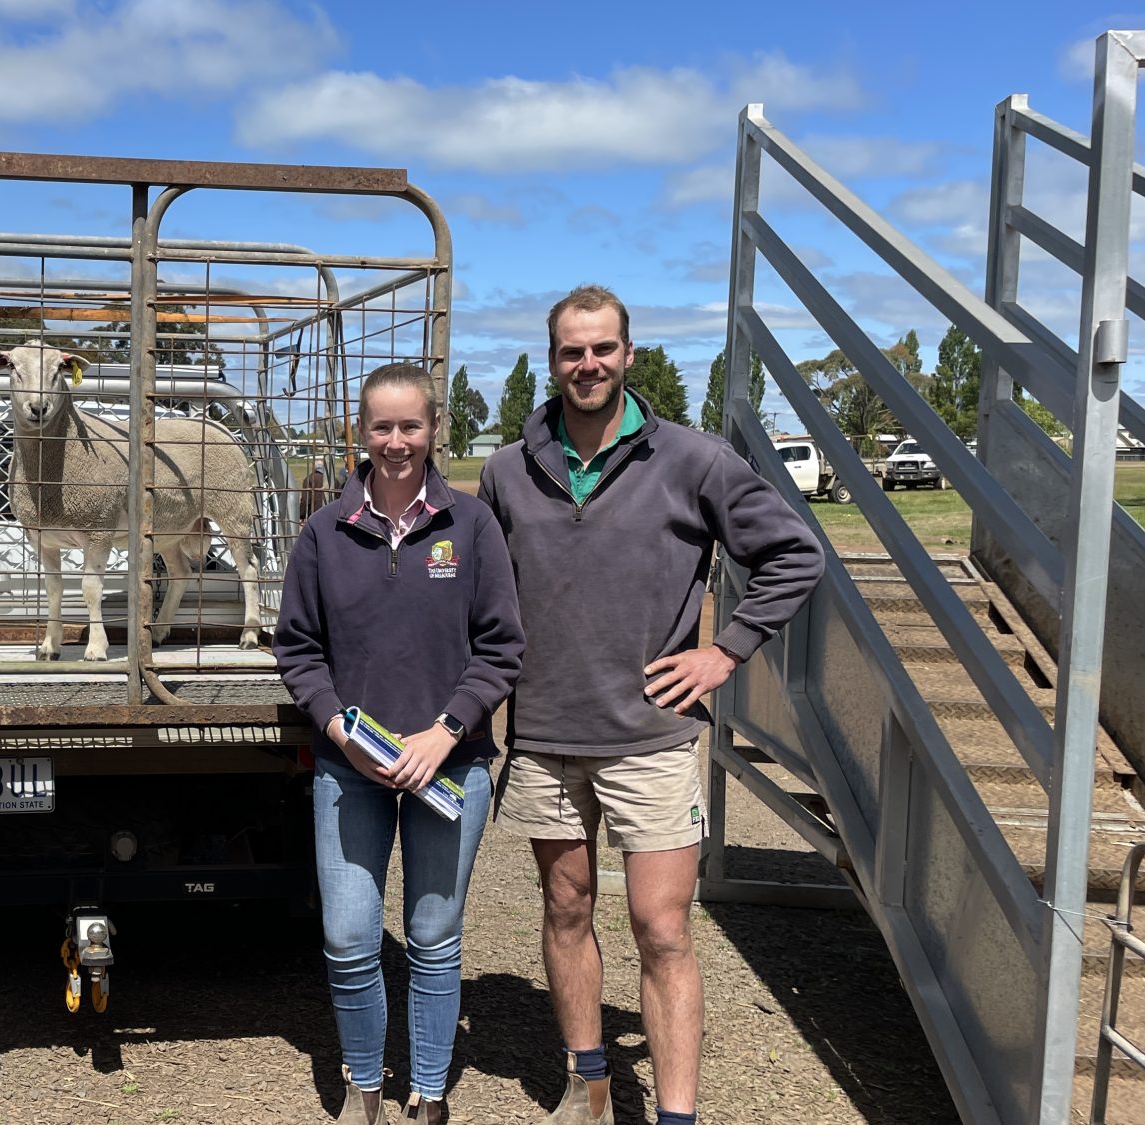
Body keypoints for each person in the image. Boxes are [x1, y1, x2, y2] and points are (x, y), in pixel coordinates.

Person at [477, 286, 821, 1125]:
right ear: (552, 360)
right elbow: (475, 593)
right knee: (566, 909)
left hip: (651, 737)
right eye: (570, 351)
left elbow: (795, 553)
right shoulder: (504, 470)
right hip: (547, 735)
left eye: (602, 349)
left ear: (629, 354)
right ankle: (588, 1083)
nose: (586, 364)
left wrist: (724, 650)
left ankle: (675, 1115)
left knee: (660, 927)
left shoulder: (693, 461)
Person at [276, 362, 525, 1125]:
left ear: (434, 429)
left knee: (432, 933)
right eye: (381, 426)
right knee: (349, 934)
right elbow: (298, 648)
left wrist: (446, 729)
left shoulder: (472, 525)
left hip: (449, 768)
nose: (395, 441)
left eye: (410, 425)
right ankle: (363, 1085)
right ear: (361, 430)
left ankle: (427, 1090)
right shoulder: (325, 530)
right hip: (349, 769)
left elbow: (501, 647)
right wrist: (334, 724)